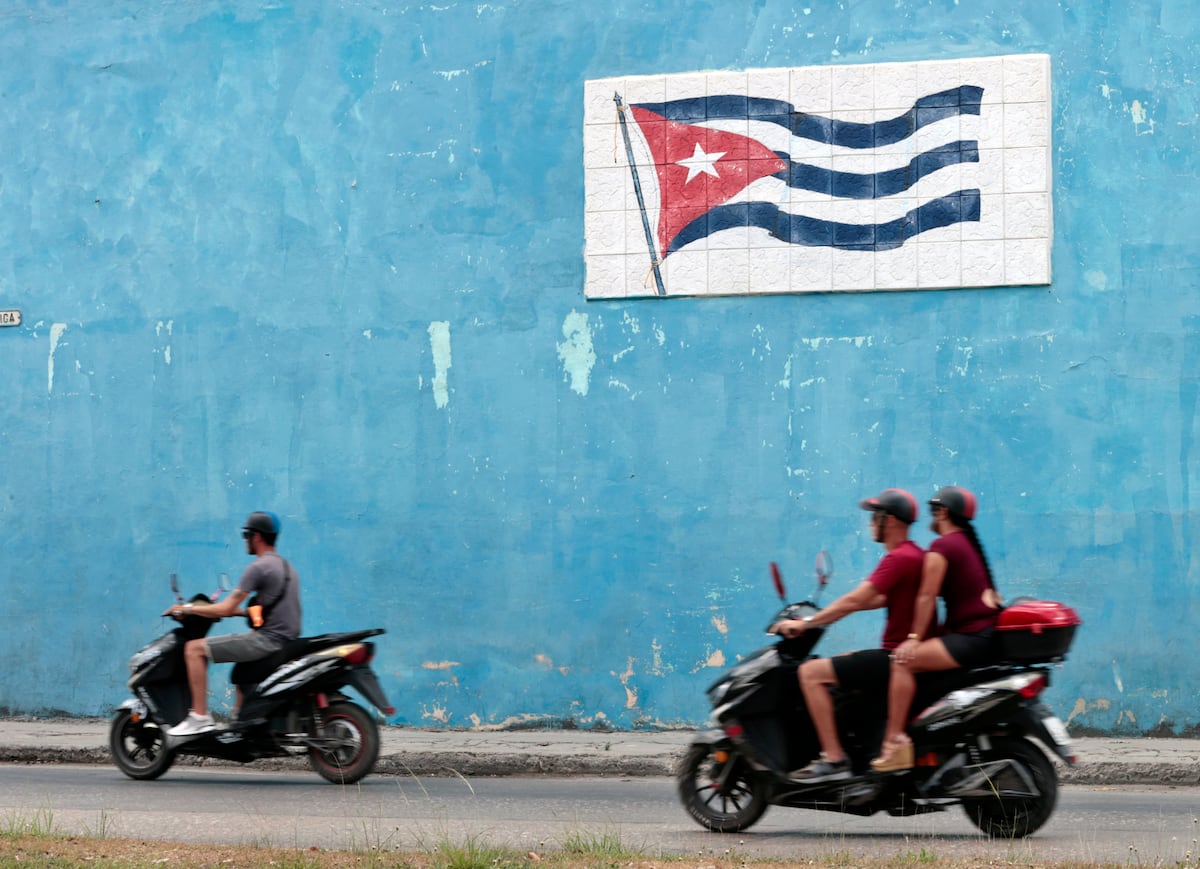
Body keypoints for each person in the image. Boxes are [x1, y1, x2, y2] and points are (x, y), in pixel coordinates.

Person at [772, 489, 925, 782]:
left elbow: (856, 599)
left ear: (889, 520)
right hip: (904, 656)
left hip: (896, 658)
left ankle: (835, 759)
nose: (870, 524)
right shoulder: (915, 555)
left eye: (874, 517)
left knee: (809, 672)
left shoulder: (899, 558)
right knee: (843, 660)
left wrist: (807, 623)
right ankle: (856, 747)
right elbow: (872, 601)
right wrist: (830, 615)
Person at [871, 486, 1001, 772]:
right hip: (983, 637)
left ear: (942, 512)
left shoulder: (942, 547)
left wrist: (913, 639)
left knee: (902, 662)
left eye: (933, 510)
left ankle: (894, 743)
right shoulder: (967, 544)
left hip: (971, 638)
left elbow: (927, 596)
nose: (931, 516)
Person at [163, 511, 302, 737]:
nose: (245, 541)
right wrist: (239, 613)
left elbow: (224, 608)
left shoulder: (258, 567)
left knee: (193, 649)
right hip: (286, 641)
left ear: (256, 536)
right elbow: (266, 611)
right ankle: (240, 721)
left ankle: (199, 717)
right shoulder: (287, 568)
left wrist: (187, 608)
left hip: (266, 641)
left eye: (246, 536)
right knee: (241, 672)